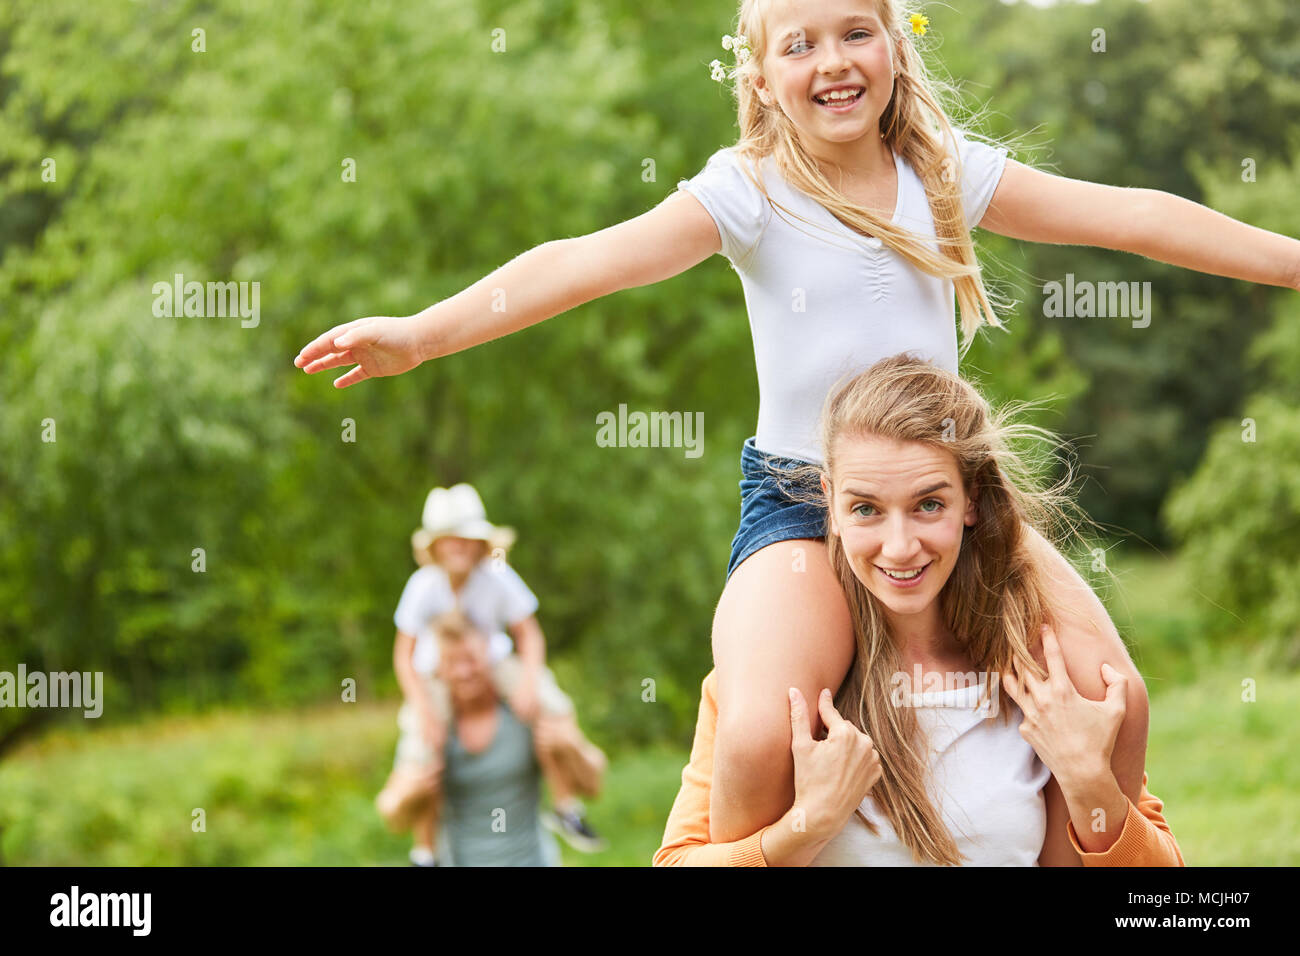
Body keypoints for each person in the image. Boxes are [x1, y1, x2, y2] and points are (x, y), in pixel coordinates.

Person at [295, 0, 1300, 846]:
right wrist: (423, 335)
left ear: (895, 46)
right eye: (799, 43)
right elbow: (578, 260)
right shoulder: (750, 193)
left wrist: (1290, 259)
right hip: (798, 503)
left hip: (947, 495)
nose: (832, 62)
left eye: (854, 32)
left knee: (1110, 689)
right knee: (752, 741)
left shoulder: (943, 175)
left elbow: (1130, 214)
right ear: (762, 77)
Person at [655, 356, 1185, 865]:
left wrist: (1089, 778)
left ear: (971, 500)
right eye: (866, 509)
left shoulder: (1039, 683)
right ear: (830, 504)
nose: (900, 546)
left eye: (928, 504)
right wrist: (807, 825)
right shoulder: (783, 678)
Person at [375, 483, 605, 865]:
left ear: (482, 543)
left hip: (495, 665)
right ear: (433, 547)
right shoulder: (422, 586)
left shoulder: (497, 576)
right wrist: (424, 709)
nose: (459, 548)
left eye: (467, 540)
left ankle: (566, 805)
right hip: (436, 675)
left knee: (550, 709)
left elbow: (528, 633)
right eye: (449, 540)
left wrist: (530, 683)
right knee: (422, 749)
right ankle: (425, 850)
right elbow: (404, 655)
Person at [428, 609, 607, 867]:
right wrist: (408, 793)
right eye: (453, 662)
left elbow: (594, 785)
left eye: (471, 659)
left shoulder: (523, 706)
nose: (464, 672)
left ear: (489, 653)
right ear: (438, 669)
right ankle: (423, 855)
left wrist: (571, 746)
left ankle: (566, 810)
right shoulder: (432, 723)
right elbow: (392, 813)